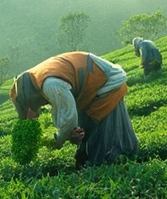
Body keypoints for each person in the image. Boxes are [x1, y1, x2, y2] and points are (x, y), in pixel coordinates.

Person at [10, 51, 139, 169]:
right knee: (83, 132)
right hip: (88, 90)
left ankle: (116, 164)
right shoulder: (38, 78)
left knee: (103, 139)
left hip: (106, 84)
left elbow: (69, 119)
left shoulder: (50, 84)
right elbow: (66, 112)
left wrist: (58, 140)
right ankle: (87, 162)